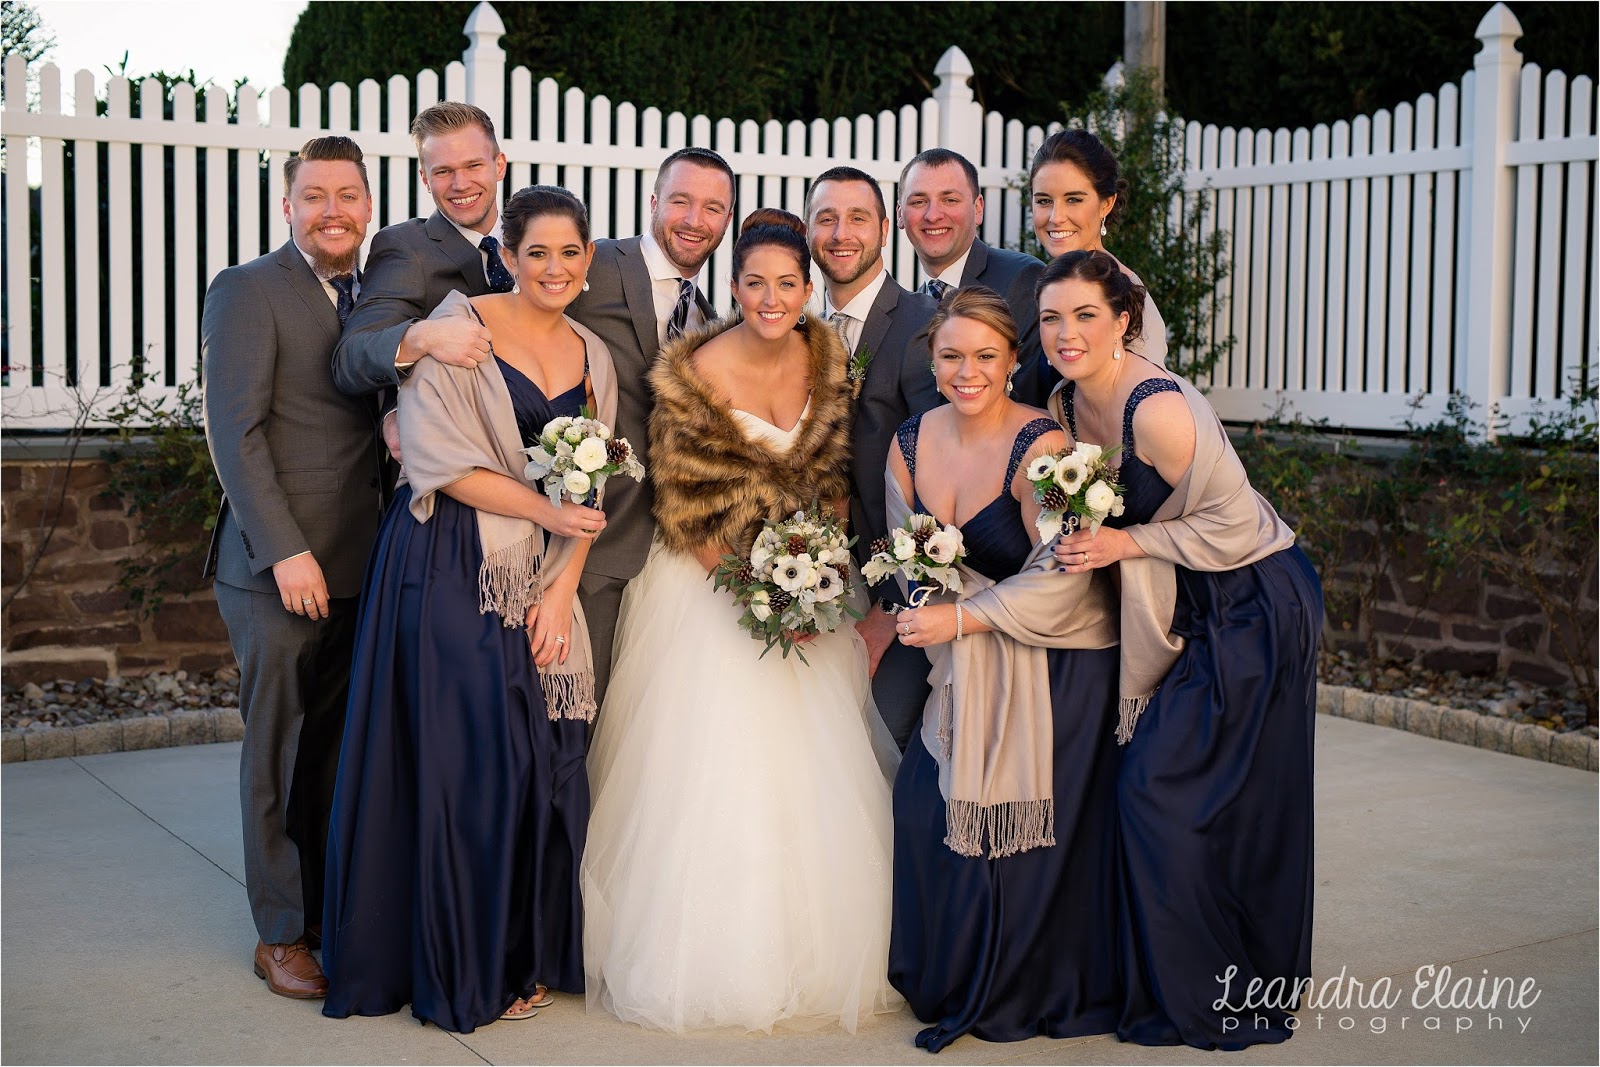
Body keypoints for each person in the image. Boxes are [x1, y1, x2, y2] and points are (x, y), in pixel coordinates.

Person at [581, 209, 900, 1034]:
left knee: (815, 771)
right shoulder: (694, 372)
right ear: (734, 286)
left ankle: (814, 949)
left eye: (787, 283)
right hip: (711, 586)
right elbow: (681, 507)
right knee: (716, 773)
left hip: (807, 582)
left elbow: (831, 476)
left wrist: (815, 576)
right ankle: (712, 955)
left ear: (807, 288)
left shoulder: (827, 358)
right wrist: (758, 592)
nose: (770, 296)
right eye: (754, 281)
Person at [321, 186, 614, 1033]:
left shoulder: (594, 353)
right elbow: (440, 462)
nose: (553, 269)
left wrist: (561, 587)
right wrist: (551, 514)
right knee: (471, 764)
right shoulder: (459, 332)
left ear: (588, 261)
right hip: (449, 565)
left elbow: (597, 479)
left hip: (543, 571)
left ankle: (527, 950)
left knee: (542, 756)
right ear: (509, 257)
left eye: (570, 254)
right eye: (536, 254)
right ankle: (464, 964)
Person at [1041, 250, 1322, 1050]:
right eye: (1052, 318)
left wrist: (1124, 543)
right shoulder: (1063, 404)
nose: (1066, 333)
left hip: (1254, 602)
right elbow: (1066, 510)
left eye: (1086, 315)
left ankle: (1214, 993)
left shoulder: (1158, 410)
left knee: (1158, 788)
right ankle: (1187, 971)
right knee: (1187, 793)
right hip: (1190, 604)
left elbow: (1234, 528)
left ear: (1125, 321)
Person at [884, 287, 1123, 1053]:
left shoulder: (1044, 449)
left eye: (986, 355)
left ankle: (1017, 982)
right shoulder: (911, 441)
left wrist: (959, 616)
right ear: (932, 359)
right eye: (952, 354)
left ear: (1013, 362)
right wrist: (925, 605)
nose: (968, 370)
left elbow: (1064, 574)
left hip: (1057, 663)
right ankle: (943, 974)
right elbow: (906, 551)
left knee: (1014, 844)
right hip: (961, 660)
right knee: (924, 805)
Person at [201, 135, 381, 1001]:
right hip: (277, 569)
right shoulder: (247, 291)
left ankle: (324, 912)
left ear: (367, 205)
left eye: (347, 195)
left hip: (359, 562)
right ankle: (278, 934)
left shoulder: (374, 294)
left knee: (331, 754)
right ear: (288, 206)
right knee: (275, 750)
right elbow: (232, 434)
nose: (333, 211)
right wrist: (286, 551)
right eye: (315, 196)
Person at [567, 147, 734, 703]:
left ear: (726, 219)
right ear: (654, 200)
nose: (694, 220)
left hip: (669, 557)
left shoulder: (711, 321)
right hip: (593, 538)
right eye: (681, 201)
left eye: (712, 207)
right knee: (572, 716)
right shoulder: (593, 267)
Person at [806, 165, 942, 750]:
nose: (841, 233)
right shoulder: (795, 325)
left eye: (857, 217)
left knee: (875, 747)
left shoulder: (922, 326)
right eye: (826, 218)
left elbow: (943, 478)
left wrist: (892, 606)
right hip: (811, 577)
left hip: (897, 590)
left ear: (885, 229)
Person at [332, 101, 510, 474]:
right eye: (443, 171)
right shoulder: (406, 248)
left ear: (499, 165)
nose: (460, 184)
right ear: (425, 178)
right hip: (455, 467)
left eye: (473, 165)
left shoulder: (537, 237)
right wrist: (422, 337)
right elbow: (351, 358)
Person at [896, 148, 1050, 406]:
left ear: (978, 209)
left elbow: (1029, 393)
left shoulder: (1021, 279)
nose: (933, 215)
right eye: (919, 201)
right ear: (901, 214)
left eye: (950, 200)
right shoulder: (911, 307)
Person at [1029, 129, 1167, 367]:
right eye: (1044, 201)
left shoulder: (1125, 294)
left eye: (1074, 199)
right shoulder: (1044, 281)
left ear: (1106, 204)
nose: (1056, 217)